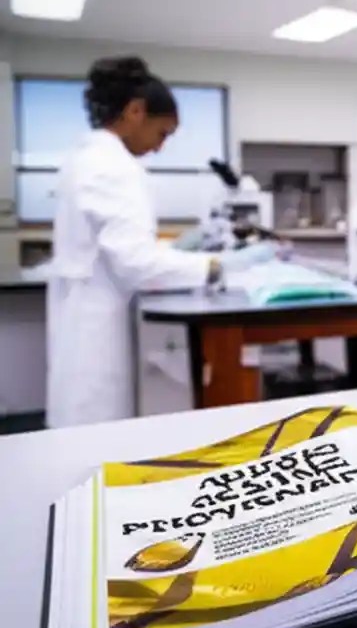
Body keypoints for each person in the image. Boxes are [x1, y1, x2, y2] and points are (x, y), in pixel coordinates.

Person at [46, 56, 276, 428]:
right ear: (136, 112)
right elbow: (135, 263)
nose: (160, 147)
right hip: (97, 325)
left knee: (81, 426)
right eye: (162, 133)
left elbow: (116, 250)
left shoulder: (86, 156)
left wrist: (172, 251)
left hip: (85, 309)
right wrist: (216, 266)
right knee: (95, 431)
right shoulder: (115, 167)